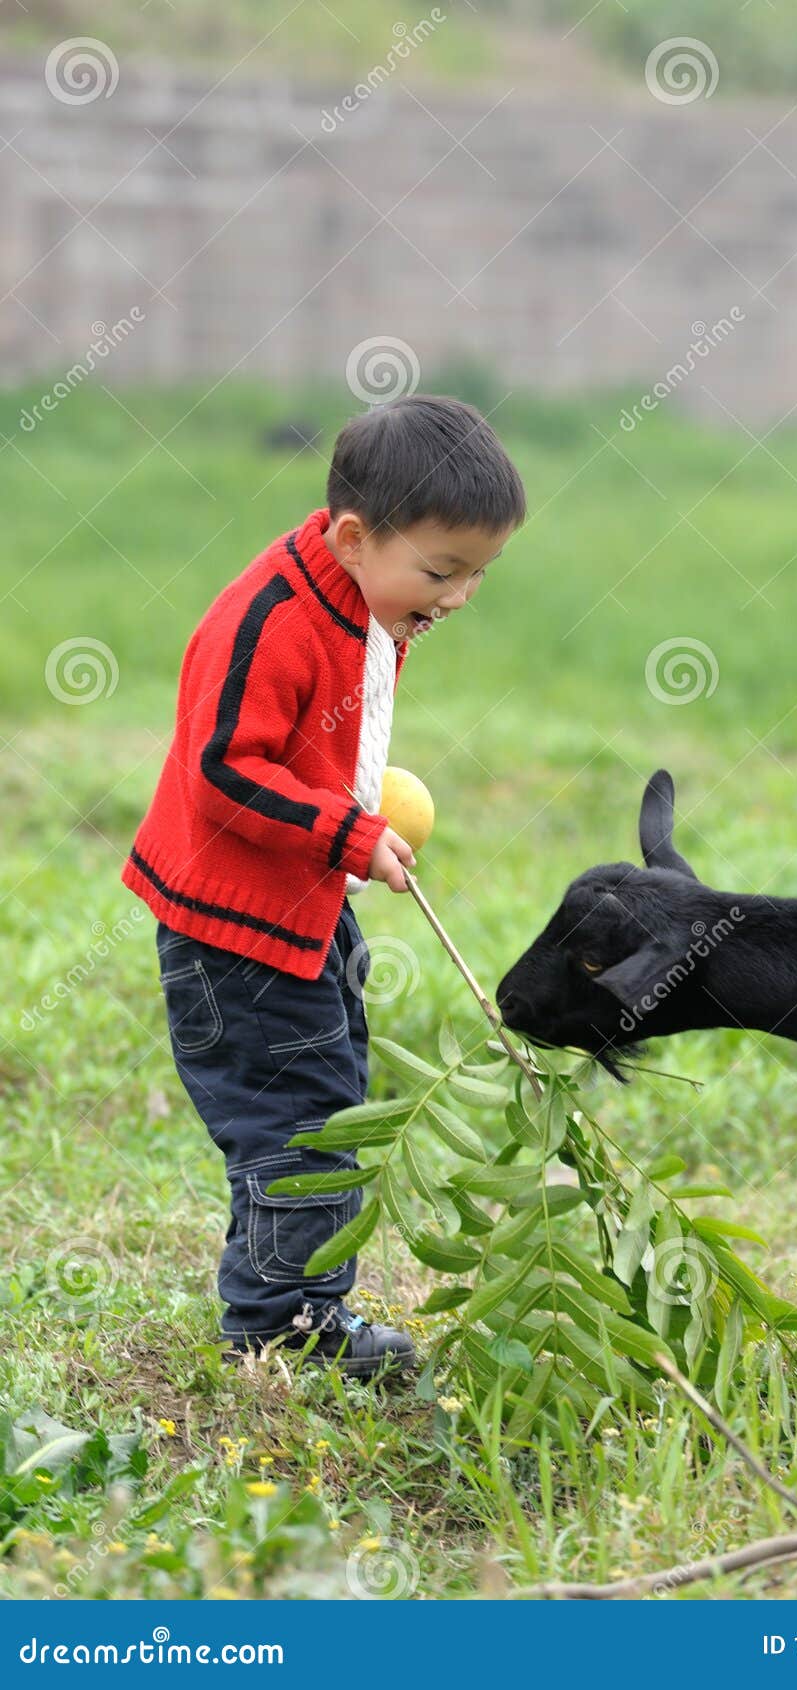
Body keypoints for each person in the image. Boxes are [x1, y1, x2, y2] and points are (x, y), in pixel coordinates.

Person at [120, 395, 526, 1378]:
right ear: (352, 535)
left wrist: (349, 807)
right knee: (297, 1127)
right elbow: (221, 768)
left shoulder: (359, 599)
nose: (461, 593)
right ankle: (274, 1330)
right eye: (442, 570)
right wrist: (345, 829)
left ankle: (306, 1307)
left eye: (478, 572)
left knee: (335, 1099)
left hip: (303, 908)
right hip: (236, 932)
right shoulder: (269, 621)